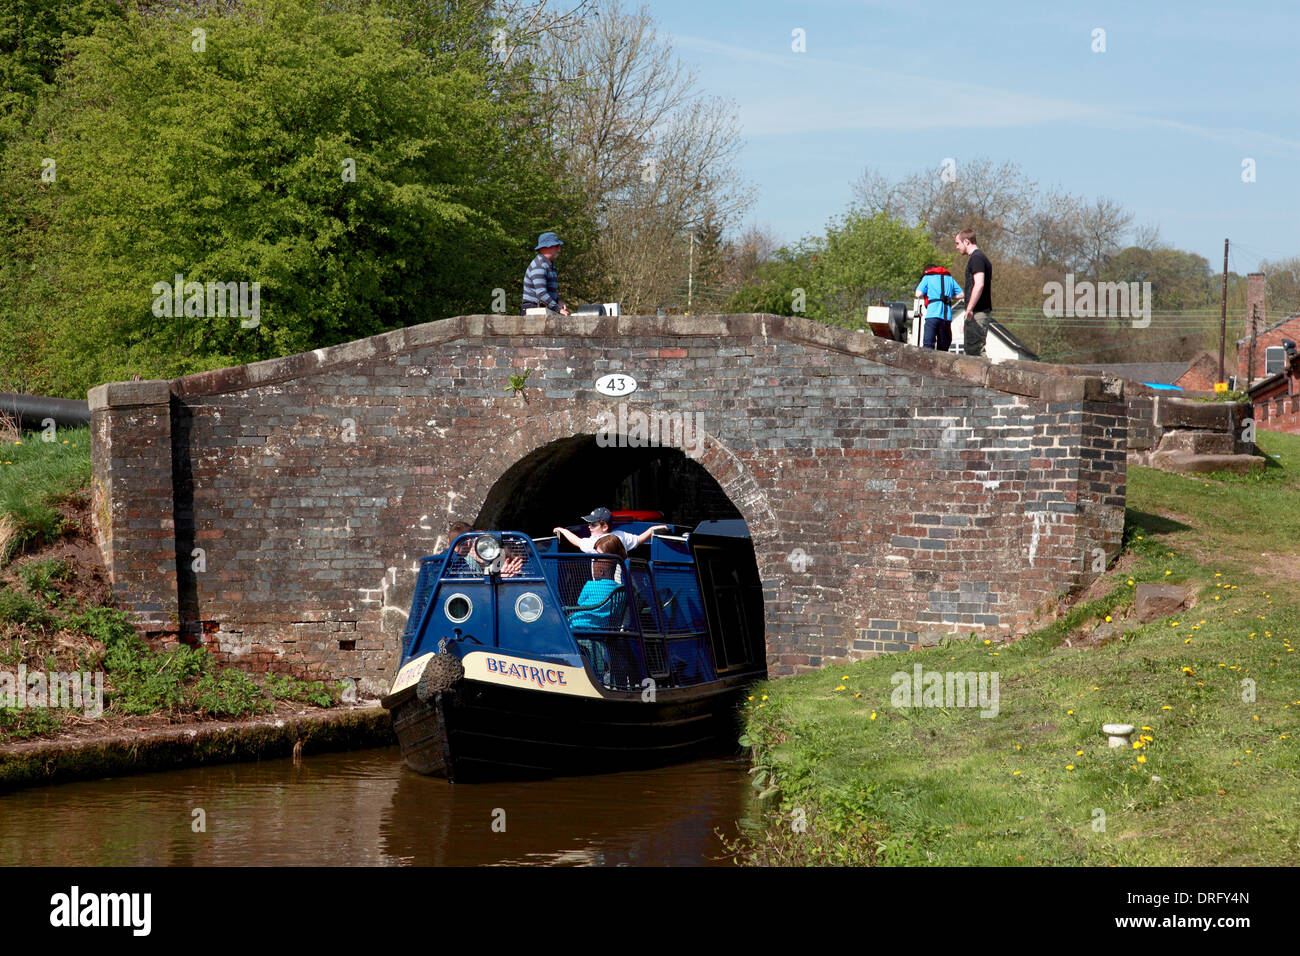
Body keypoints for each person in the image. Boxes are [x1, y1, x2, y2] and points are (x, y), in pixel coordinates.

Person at [566, 535, 627, 630]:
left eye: (599, 555)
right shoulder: (621, 590)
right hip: (603, 629)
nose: (595, 558)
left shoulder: (591, 585)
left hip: (578, 626)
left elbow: (580, 603)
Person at [552, 507, 667, 553]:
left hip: (601, 589)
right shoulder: (621, 536)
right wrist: (652, 529)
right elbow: (639, 539)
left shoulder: (593, 543)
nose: (589, 527)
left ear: (605, 527)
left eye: (593, 525)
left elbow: (576, 541)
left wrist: (563, 530)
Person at [955, 228, 992, 357]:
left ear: (966, 242)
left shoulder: (977, 258)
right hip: (975, 312)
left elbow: (979, 284)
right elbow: (974, 287)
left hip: (977, 312)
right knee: (972, 349)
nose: (956, 247)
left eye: (957, 243)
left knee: (975, 350)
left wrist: (969, 308)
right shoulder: (978, 258)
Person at [914, 264, 964, 351]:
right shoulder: (949, 278)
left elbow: (918, 294)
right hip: (946, 317)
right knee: (943, 347)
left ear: (927, 271)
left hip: (932, 315)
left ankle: (928, 363)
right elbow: (961, 294)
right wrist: (948, 297)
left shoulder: (927, 277)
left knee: (928, 346)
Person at [522, 231, 570, 316]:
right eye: (557, 246)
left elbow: (548, 292)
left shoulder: (549, 265)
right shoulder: (539, 265)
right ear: (547, 246)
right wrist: (559, 309)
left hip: (542, 309)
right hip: (533, 310)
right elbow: (541, 294)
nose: (559, 249)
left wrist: (559, 300)